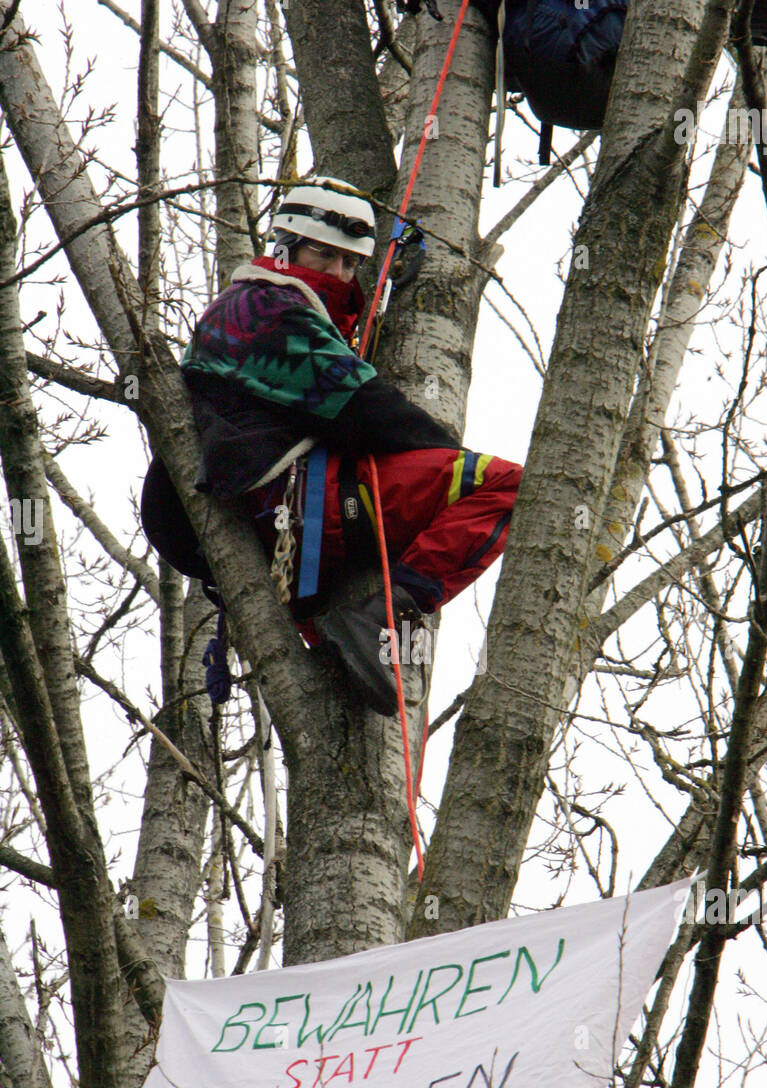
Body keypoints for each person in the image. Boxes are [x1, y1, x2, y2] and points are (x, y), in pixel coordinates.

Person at [142, 177, 522, 715]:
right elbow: (359, 406)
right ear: (285, 246)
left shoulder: (282, 312)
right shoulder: (259, 307)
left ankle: (355, 640)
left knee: (346, 699)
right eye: (325, 256)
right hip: (286, 502)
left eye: (350, 264)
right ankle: (389, 615)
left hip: (280, 522)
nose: (339, 274)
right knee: (505, 486)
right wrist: (445, 455)